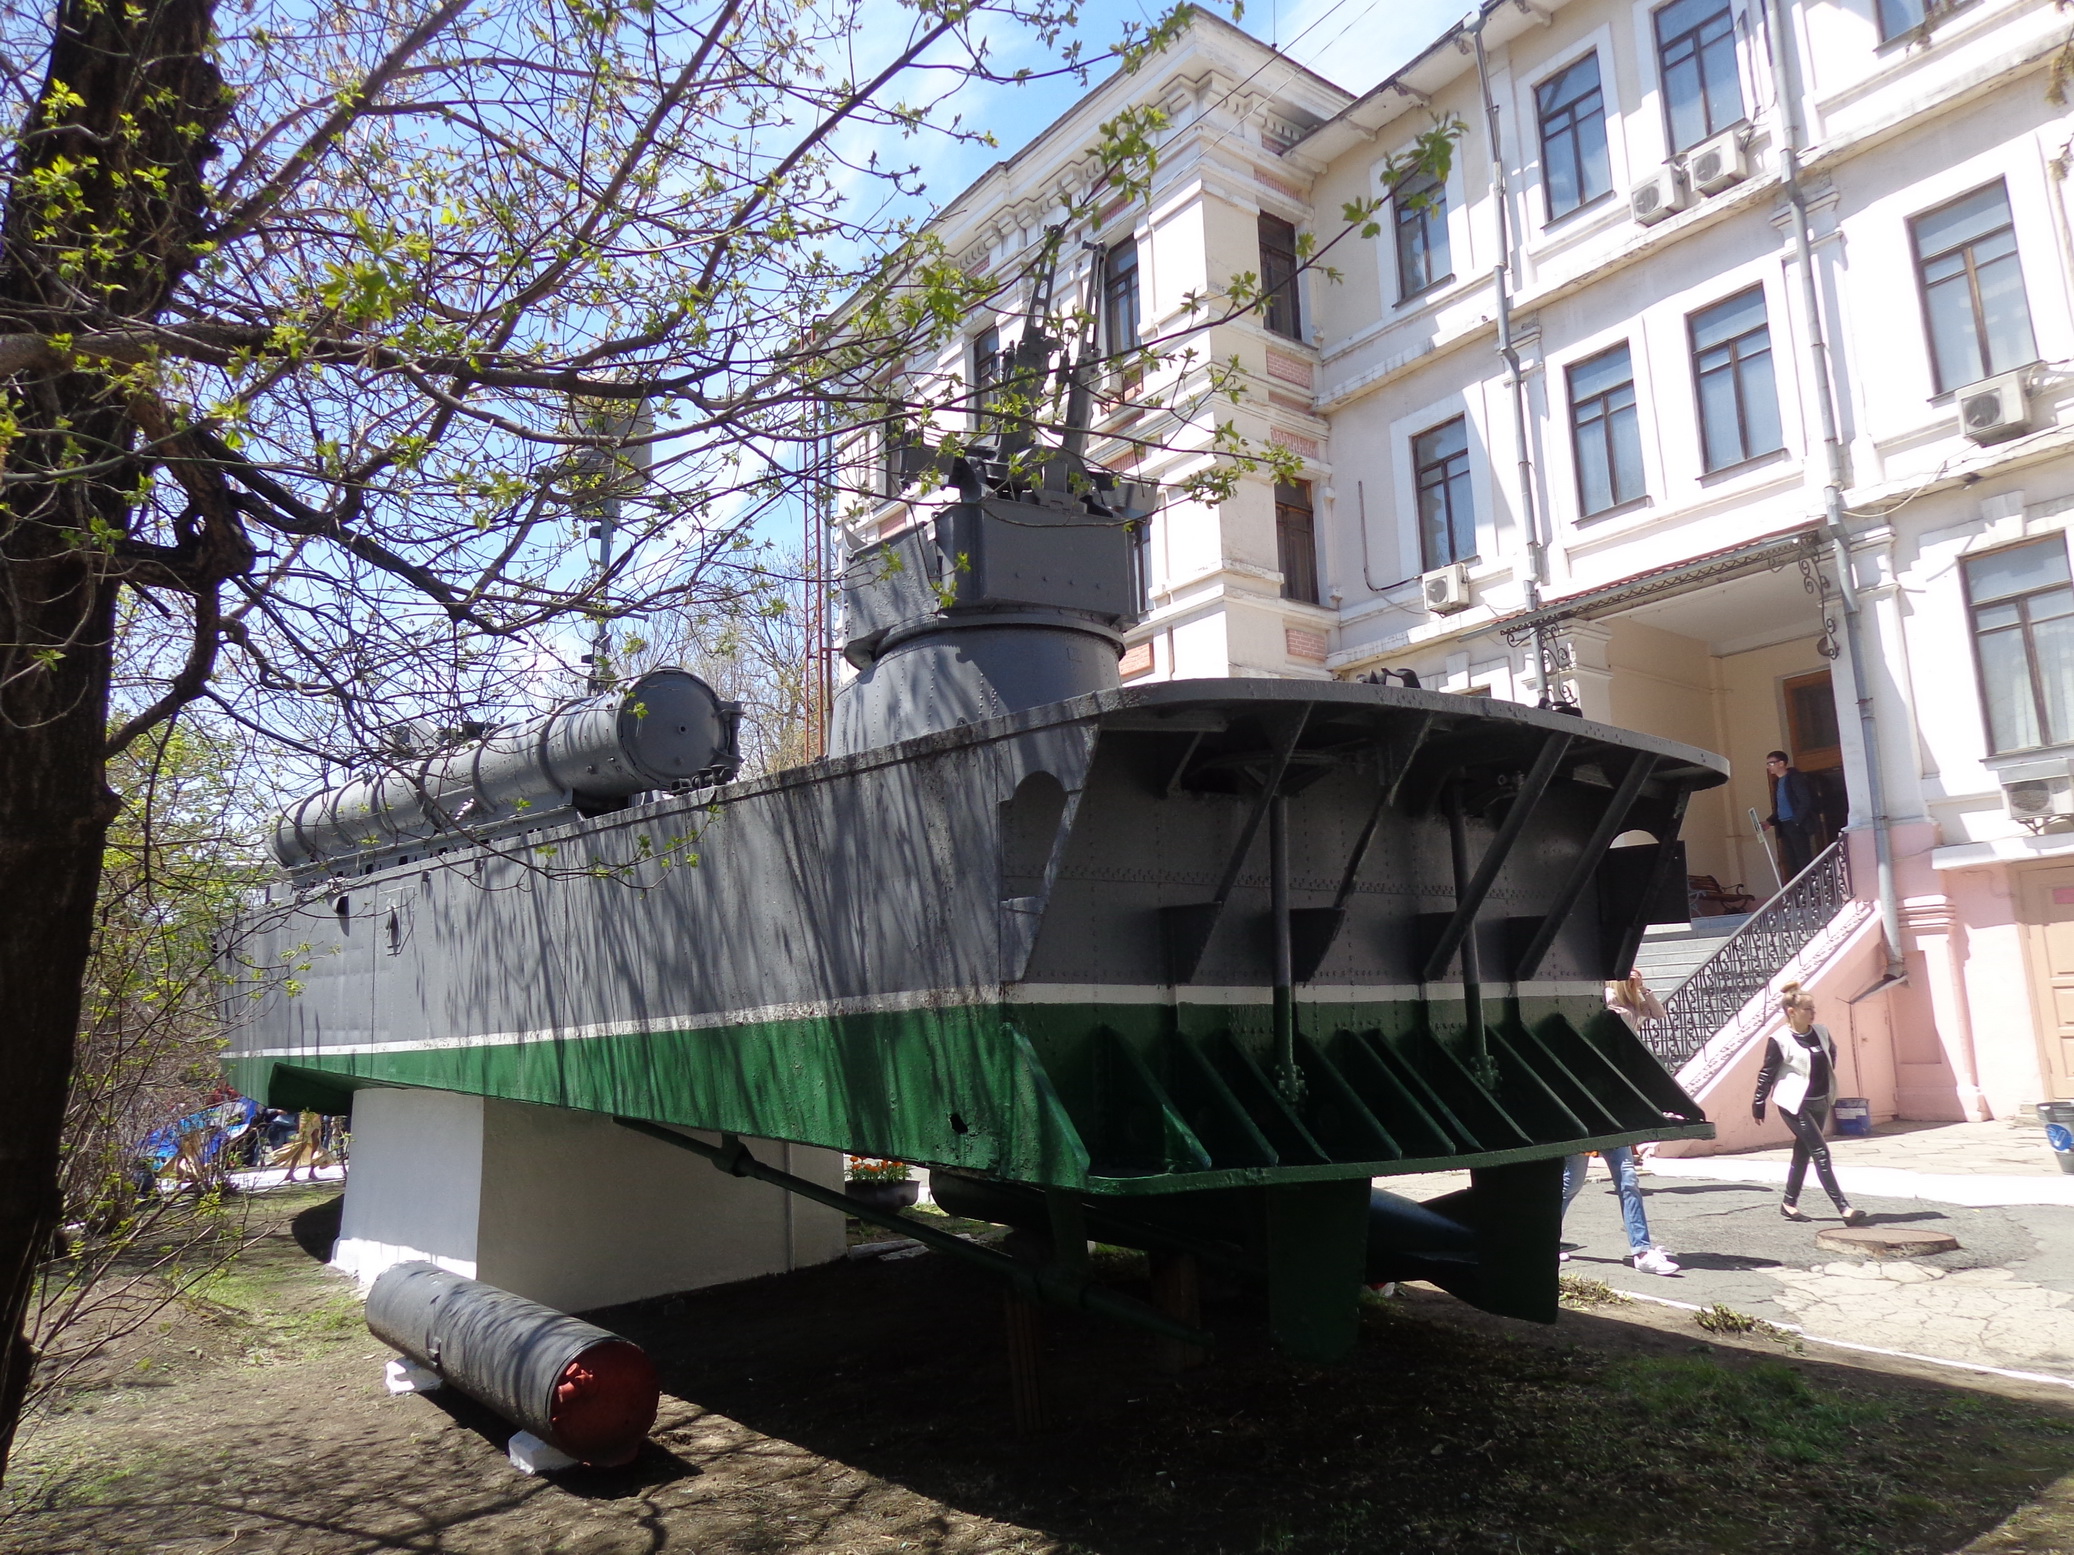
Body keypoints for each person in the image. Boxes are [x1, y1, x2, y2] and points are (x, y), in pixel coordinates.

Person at [1561, 972, 1680, 1276]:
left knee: (1627, 1179)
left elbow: (1659, 1013)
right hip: (1588, 1107)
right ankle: (1546, 1239)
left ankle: (1641, 1251)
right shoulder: (1606, 1000)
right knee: (1571, 1182)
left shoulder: (1634, 1003)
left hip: (1614, 1105)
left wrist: (1642, 987)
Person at [1753, 982, 1866, 1224]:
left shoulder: (1822, 1031)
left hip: (1820, 1100)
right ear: (1791, 1011)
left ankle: (1789, 1203)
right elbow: (1767, 1072)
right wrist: (1758, 1102)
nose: (1813, 1013)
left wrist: (1825, 1081)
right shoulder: (1780, 1039)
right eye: (1807, 1009)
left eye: (1813, 1008)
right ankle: (1844, 1208)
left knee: (1802, 1152)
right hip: (1794, 1103)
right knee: (1820, 1152)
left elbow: (1831, 1054)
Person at [1763, 750, 1818, 880]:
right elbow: (1780, 809)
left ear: (1781, 763)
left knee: (1803, 859)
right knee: (1790, 862)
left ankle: (1811, 890)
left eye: (1771, 763)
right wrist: (1769, 822)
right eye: (1768, 764)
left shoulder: (1794, 778)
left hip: (1795, 824)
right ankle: (1798, 892)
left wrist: (1796, 821)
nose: (1769, 767)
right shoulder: (1778, 783)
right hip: (1784, 826)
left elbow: (1805, 801)